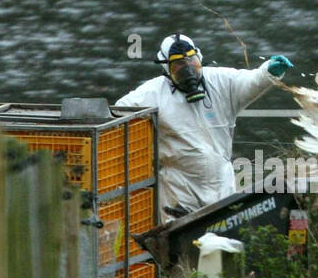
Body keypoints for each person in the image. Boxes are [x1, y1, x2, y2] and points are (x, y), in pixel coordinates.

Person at [117, 33, 292, 220]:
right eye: (178, 65)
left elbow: (249, 81)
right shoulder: (153, 93)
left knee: (224, 237)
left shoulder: (220, 81)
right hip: (179, 187)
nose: (187, 70)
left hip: (221, 183)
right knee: (180, 241)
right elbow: (118, 112)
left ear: (199, 58)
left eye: (191, 62)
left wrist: (268, 72)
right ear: (166, 69)